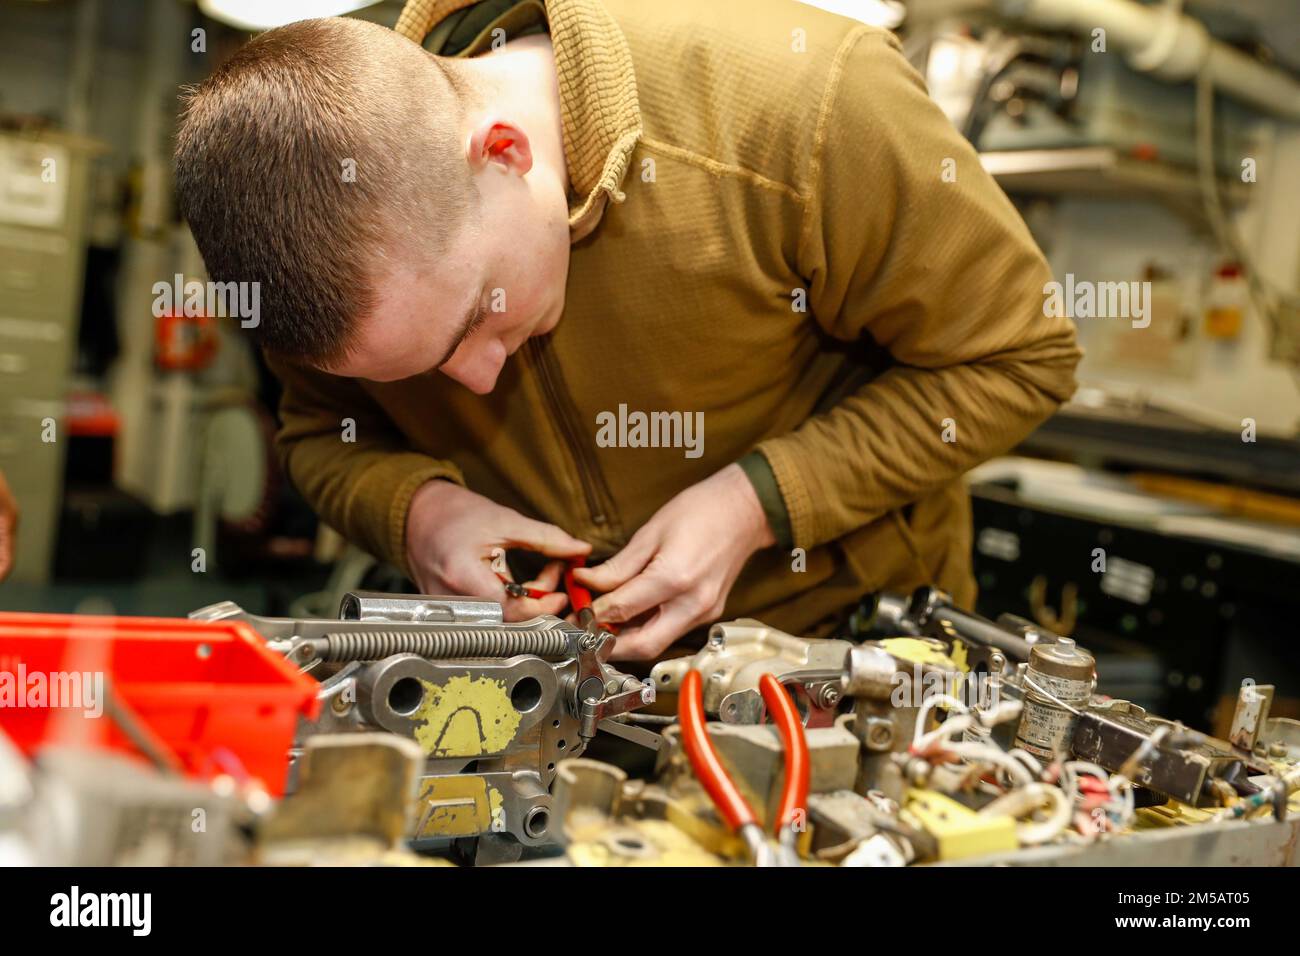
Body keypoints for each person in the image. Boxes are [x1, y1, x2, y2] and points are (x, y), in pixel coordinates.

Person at [173, 0, 1081, 660]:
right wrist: (417, 513)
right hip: (543, 687)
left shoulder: (806, 108)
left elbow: (1020, 354)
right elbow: (319, 434)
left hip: (837, 665)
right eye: (416, 373)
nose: (478, 383)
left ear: (502, 152)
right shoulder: (314, 201)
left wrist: (759, 504)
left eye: (471, 324)